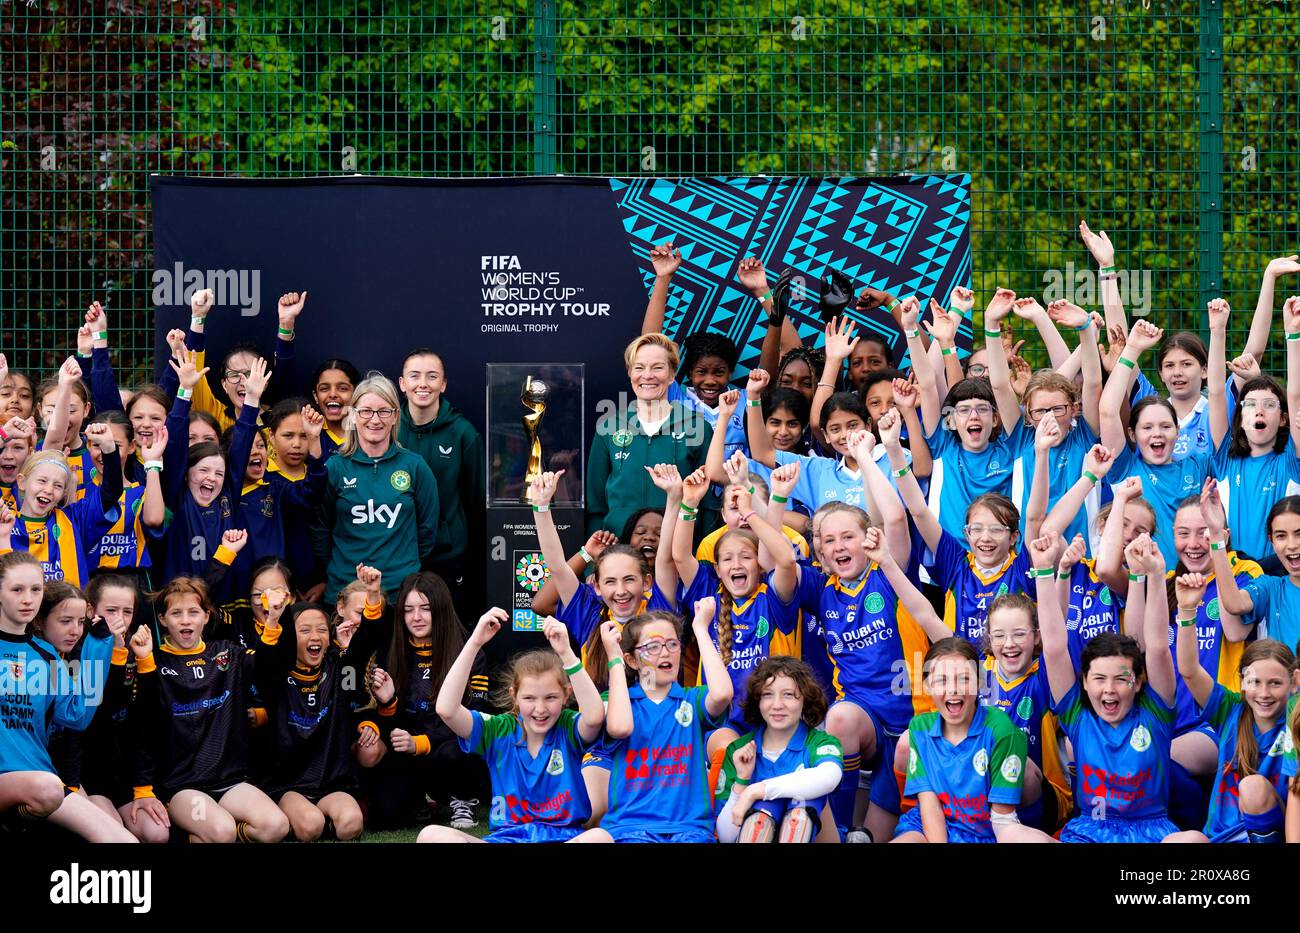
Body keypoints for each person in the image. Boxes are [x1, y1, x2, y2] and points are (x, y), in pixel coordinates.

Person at [1035, 530, 1182, 842]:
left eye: (1121, 679)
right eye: (1099, 679)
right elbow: (1054, 647)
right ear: (1085, 683)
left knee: (1191, 840)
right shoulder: (1076, 714)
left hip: (1151, 831)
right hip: (1090, 830)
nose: (1110, 690)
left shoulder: (1155, 711)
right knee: (1012, 836)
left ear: (1139, 682)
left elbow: (1157, 647)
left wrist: (1156, 575)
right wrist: (1045, 572)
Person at [127, 576, 290, 843]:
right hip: (183, 786)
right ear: (162, 619)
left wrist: (272, 622)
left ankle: (201, 835)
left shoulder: (228, 654)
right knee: (223, 831)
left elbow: (267, 670)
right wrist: (144, 661)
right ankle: (206, 828)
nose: (186, 620)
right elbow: (142, 726)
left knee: (276, 826)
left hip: (230, 781)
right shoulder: (152, 660)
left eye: (193, 612)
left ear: (206, 616)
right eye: (176, 613)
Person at [418, 611, 604, 843]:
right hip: (508, 838)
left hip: (563, 837)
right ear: (514, 696)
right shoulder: (500, 730)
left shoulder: (568, 726)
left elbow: (595, 717)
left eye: (550, 697)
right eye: (529, 698)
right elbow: (447, 709)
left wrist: (567, 654)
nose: (540, 708)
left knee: (599, 837)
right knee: (431, 835)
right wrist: (475, 642)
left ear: (566, 695)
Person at [0, 551, 135, 842]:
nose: (28, 599)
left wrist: (99, 646)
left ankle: (18, 820)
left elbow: (76, 715)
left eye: (36, 589)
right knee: (47, 789)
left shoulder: (46, 655)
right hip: (26, 782)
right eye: (16, 589)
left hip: (39, 777)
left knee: (124, 841)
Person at [571, 600, 733, 843]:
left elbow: (721, 694)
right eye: (653, 647)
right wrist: (614, 658)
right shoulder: (619, 702)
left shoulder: (691, 700)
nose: (665, 652)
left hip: (689, 829)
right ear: (633, 660)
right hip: (630, 828)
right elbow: (619, 727)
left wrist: (701, 629)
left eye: (672, 644)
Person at [1165, 576, 1295, 844]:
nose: (1264, 693)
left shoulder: (1295, 723)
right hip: (1222, 836)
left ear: (1294, 684)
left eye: (1275, 683)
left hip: (1273, 832)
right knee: (1179, 841)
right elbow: (1189, 670)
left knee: (1253, 787)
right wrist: (1187, 611)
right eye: (1254, 682)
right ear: (1242, 681)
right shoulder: (1230, 711)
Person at [891, 638, 1054, 843]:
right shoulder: (920, 728)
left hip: (986, 830)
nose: (953, 689)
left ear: (980, 682)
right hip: (930, 826)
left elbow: (1002, 819)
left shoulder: (1001, 730)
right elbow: (930, 807)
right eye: (942, 680)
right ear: (927, 686)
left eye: (964, 679)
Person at [365, 572, 490, 830]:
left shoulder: (469, 651)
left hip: (448, 749)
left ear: (441, 610)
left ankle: (462, 797)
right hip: (407, 751)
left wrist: (421, 743)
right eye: (408, 610)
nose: (416, 617)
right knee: (385, 817)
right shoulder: (392, 649)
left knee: (458, 753)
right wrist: (388, 703)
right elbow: (392, 723)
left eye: (425, 608)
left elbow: (476, 716)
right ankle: (419, 801)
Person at [310, 373, 439, 603]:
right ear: (352, 415)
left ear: (395, 416)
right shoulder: (335, 468)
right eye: (366, 411)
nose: (375, 420)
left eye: (384, 411)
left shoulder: (415, 466)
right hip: (346, 593)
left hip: (401, 595)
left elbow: (427, 532)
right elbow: (320, 530)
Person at [586, 333, 718, 539]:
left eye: (657, 367)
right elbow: (595, 507)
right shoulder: (608, 427)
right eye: (639, 367)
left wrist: (702, 560)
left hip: (678, 554)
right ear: (630, 372)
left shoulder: (698, 427)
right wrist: (594, 563)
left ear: (672, 374)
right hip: (619, 554)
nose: (647, 375)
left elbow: (708, 503)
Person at [396, 347, 486, 623]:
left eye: (432, 376)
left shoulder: (463, 433)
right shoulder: (388, 427)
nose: (423, 384)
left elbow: (474, 500)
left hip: (447, 554)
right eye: (415, 376)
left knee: (449, 629)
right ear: (402, 384)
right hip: (398, 551)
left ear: (443, 384)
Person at [713, 656, 842, 843]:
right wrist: (742, 784)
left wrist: (757, 790)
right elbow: (726, 837)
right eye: (767, 694)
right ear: (757, 700)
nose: (777, 705)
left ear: (805, 699)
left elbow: (830, 776)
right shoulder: (739, 750)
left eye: (788, 694)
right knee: (761, 816)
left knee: (802, 807)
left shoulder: (819, 742)